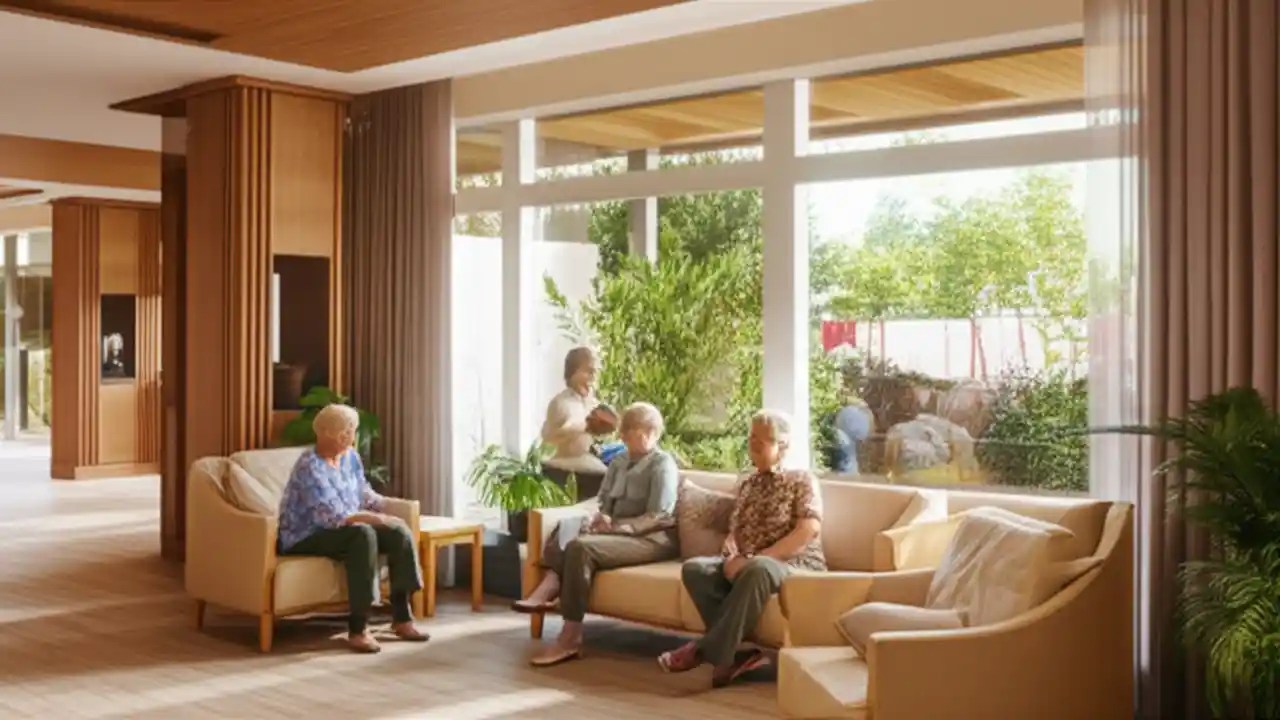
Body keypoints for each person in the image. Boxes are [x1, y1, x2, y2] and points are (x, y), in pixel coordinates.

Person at [658, 409, 826, 687]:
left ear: (782, 445)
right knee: (696, 569)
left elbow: (807, 531)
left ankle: (703, 650)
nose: (753, 444)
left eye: (762, 439)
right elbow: (735, 531)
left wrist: (753, 559)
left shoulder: (801, 480)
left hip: (794, 564)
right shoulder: (748, 482)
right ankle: (732, 656)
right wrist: (731, 553)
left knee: (759, 569)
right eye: (751, 437)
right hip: (752, 563)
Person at [514, 402, 679, 666]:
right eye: (625, 430)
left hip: (651, 539)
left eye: (633, 431)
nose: (624, 436)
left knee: (581, 548)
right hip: (616, 532)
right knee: (567, 529)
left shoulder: (663, 465)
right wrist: (598, 518)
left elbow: (660, 516)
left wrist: (617, 528)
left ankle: (569, 638)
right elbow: (601, 502)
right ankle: (549, 586)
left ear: (652, 433)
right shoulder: (619, 461)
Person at [277, 403, 428, 653]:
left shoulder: (350, 457)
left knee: (398, 533)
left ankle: (402, 617)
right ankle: (359, 628)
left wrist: (388, 511)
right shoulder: (309, 466)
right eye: (345, 431)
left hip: (342, 527)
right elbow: (333, 516)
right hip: (307, 534)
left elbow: (364, 493)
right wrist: (377, 519)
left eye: (351, 431)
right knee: (363, 533)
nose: (350, 436)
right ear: (325, 433)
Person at [540, 346, 618, 499]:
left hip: (587, 460)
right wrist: (587, 426)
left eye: (595, 372)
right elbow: (550, 437)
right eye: (588, 371)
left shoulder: (591, 402)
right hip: (565, 465)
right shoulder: (562, 402)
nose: (593, 378)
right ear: (572, 372)